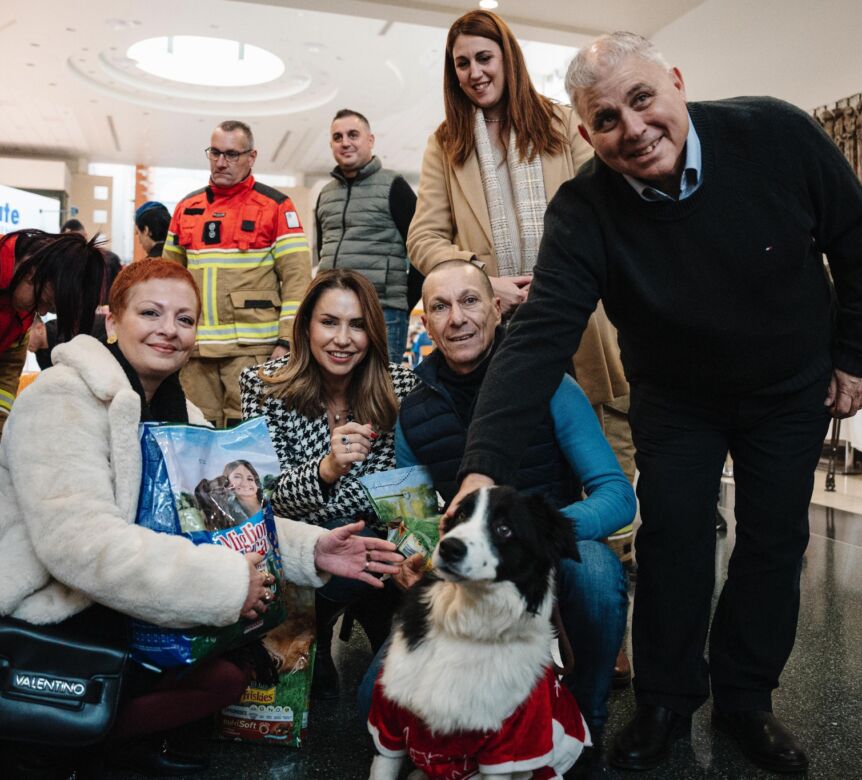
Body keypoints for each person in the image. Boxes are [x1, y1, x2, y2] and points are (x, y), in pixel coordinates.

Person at [451, 32, 862, 774]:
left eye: (642, 98)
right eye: (607, 119)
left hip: (788, 386)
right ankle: (664, 700)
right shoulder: (584, 208)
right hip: (676, 396)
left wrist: (855, 355)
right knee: (673, 539)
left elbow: (856, 242)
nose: (634, 128)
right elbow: (538, 339)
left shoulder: (775, 133)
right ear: (586, 133)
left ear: (677, 83)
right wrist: (481, 467)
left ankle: (747, 698)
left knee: (773, 540)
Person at [0, 259, 402, 776]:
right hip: (49, 607)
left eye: (184, 318)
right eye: (150, 313)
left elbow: (222, 515)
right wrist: (221, 583)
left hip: (124, 601)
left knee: (237, 668)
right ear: (113, 321)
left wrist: (313, 549)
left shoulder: (182, 413)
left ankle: (106, 738)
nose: (169, 330)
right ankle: (44, 741)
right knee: (216, 660)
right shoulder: (62, 398)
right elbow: (79, 545)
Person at [407, 4, 636, 696]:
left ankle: (606, 628)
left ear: (507, 55)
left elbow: (613, 201)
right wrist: (483, 279)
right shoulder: (446, 145)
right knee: (508, 447)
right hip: (503, 330)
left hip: (582, 318)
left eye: (484, 57)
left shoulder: (562, 124)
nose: (474, 72)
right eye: (461, 64)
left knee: (606, 457)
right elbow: (424, 238)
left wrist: (567, 274)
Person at [393, 260, 634, 773]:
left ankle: (586, 712)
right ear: (427, 324)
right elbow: (411, 520)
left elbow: (617, 495)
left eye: (470, 300)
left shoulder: (552, 386)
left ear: (497, 309)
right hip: (468, 574)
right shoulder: (413, 413)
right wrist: (414, 557)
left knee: (596, 575)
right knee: (374, 695)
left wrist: (540, 536)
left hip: (552, 551)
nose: (457, 318)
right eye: (441, 307)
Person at [240, 269, 418, 700]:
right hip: (303, 550)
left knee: (378, 548)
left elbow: (406, 488)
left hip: (382, 546)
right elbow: (263, 498)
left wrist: (326, 494)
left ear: (372, 333)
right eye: (329, 322)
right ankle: (318, 627)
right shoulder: (264, 386)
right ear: (306, 327)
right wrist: (327, 469)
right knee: (343, 535)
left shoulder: (401, 385)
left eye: (356, 325)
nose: (342, 339)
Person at [165, 120, 312, 427]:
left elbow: (298, 281)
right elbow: (167, 280)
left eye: (232, 154)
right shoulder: (186, 208)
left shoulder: (276, 207)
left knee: (249, 436)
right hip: (196, 353)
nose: (221, 162)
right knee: (197, 431)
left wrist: (287, 342)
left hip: (255, 352)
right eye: (215, 152)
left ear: (251, 156)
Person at [0, 229, 106, 468]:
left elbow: (3, 371)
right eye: (44, 302)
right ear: (32, 270)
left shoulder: (20, 312)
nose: (40, 312)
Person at [315, 108, 418, 357]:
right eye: (338, 137)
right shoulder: (325, 194)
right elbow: (322, 250)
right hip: (333, 312)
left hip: (383, 312)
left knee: (381, 381)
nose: (345, 142)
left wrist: (404, 304)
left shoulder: (394, 186)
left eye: (353, 135)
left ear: (370, 140)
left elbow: (421, 250)